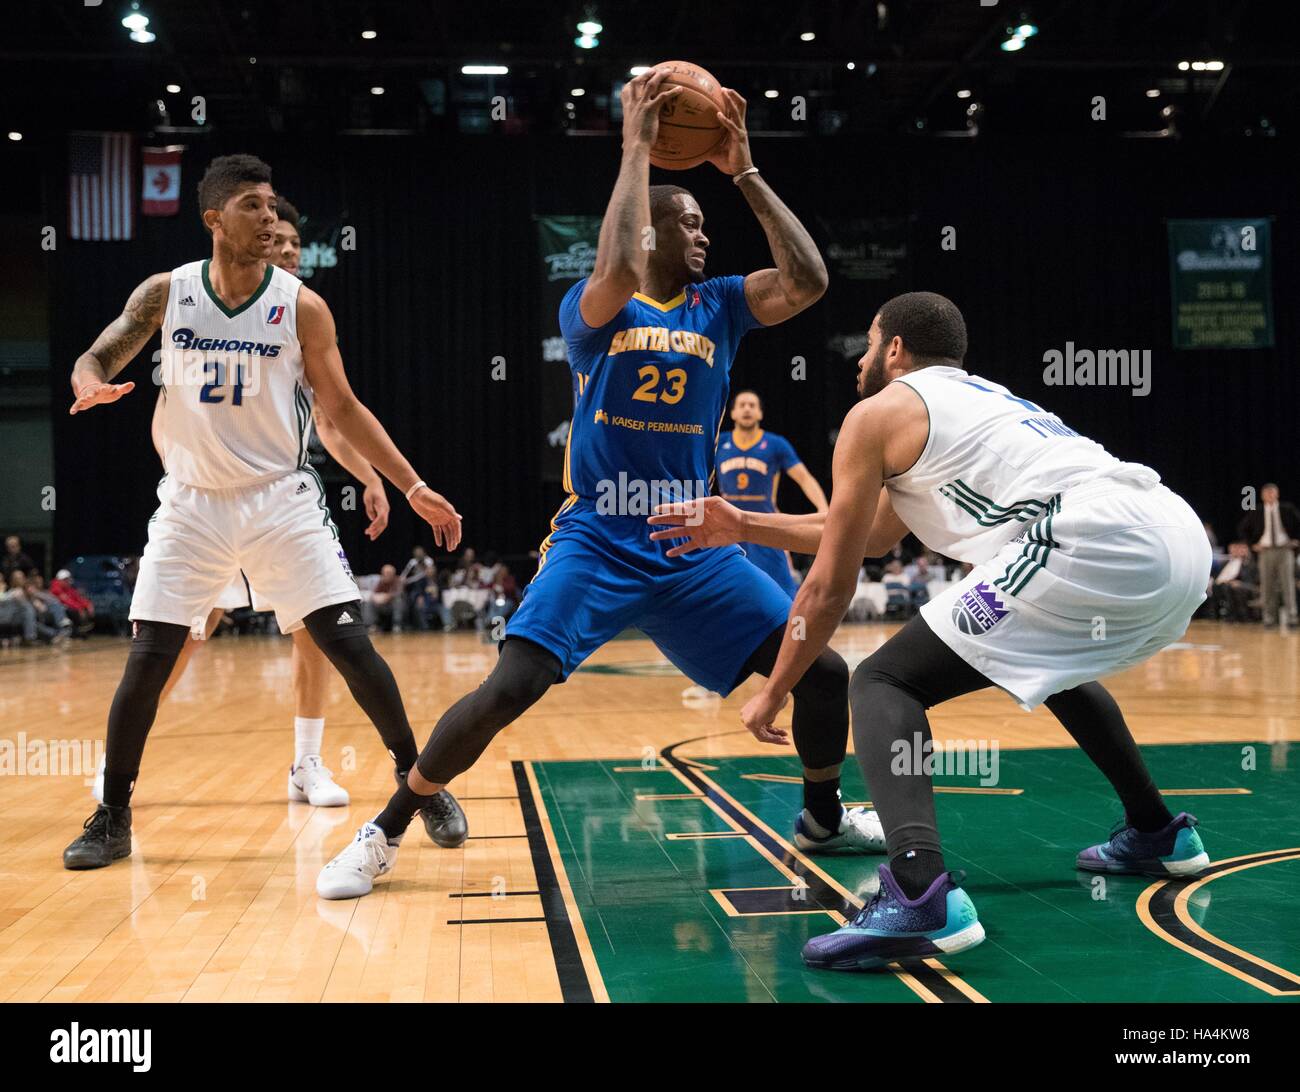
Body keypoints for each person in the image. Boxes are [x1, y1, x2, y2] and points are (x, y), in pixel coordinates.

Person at [317, 68, 883, 900]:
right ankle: (386, 828)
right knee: (509, 688)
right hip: (598, 541)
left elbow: (807, 282)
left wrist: (745, 172)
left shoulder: (719, 306)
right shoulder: (597, 310)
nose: (704, 236)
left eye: (703, 222)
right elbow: (618, 263)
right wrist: (634, 150)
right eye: (686, 224)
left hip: (691, 546)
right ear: (648, 234)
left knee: (825, 672)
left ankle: (823, 816)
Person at [649, 291, 1213, 970]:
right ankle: (1157, 831)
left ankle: (922, 893)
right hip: (1175, 538)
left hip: (1092, 535)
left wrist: (776, 688)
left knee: (884, 680)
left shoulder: (877, 413)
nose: (859, 359)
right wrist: (743, 524)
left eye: (867, 344)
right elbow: (871, 535)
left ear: (894, 349)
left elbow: (831, 583)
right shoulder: (980, 402)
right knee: (1053, 667)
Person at [62, 153, 467, 870]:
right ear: (215, 218)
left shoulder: (301, 305)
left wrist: (409, 484)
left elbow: (341, 408)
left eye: (274, 204)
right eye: (254, 204)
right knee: (150, 658)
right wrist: (90, 382)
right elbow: (100, 351)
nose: (271, 217)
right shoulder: (167, 293)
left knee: (349, 644)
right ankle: (112, 814)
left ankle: (421, 784)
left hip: (279, 500)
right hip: (191, 505)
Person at [715, 389, 827, 596]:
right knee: (725, 589)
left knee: (782, 589)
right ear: (732, 414)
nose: (747, 409)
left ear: (760, 413)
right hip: (726, 525)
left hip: (765, 524)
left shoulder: (776, 444)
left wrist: (823, 508)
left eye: (752, 405)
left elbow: (804, 478)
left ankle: (790, 626)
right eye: (742, 405)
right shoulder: (719, 442)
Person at [1237, 483, 1300, 626]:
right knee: (1267, 585)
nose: (1270, 496)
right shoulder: (1257, 511)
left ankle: (1291, 617)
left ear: (1277, 494)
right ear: (1262, 496)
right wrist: (1253, 544)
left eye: (1272, 493)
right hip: (1265, 551)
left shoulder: (1287, 509)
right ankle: (1269, 618)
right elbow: (1243, 529)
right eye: (1267, 493)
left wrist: (1296, 541)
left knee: (1287, 584)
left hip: (1284, 550)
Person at [1212, 541, 1258, 622]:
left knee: (1231, 588)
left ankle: (1238, 616)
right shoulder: (1227, 562)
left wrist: (1239, 583)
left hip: (1249, 586)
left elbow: (1250, 581)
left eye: (1243, 548)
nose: (1238, 551)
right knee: (1217, 586)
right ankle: (1217, 615)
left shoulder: (1251, 564)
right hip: (1231, 584)